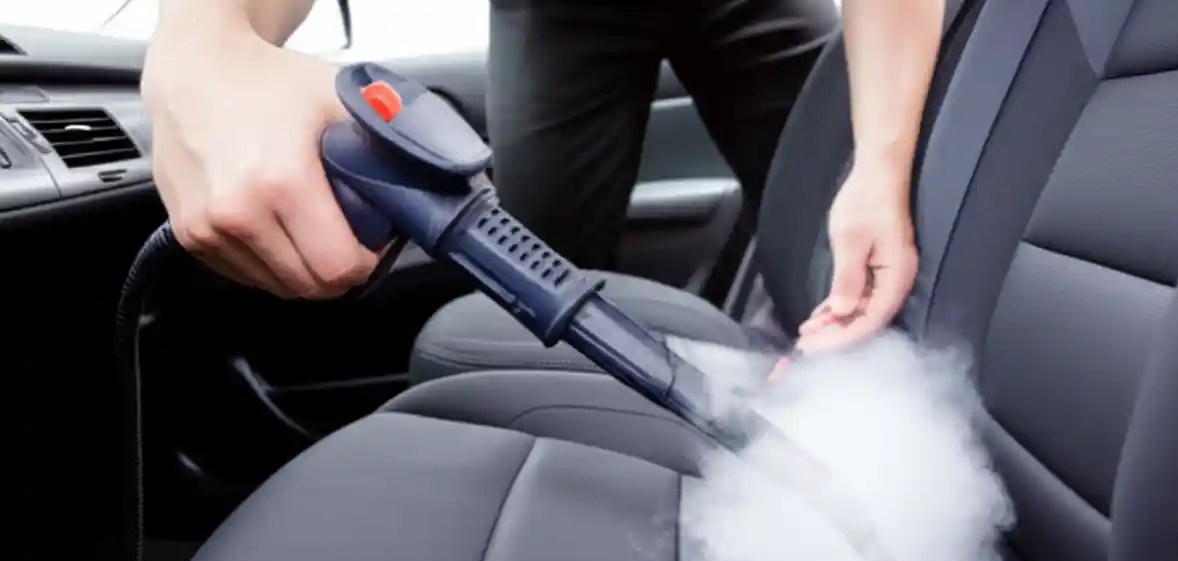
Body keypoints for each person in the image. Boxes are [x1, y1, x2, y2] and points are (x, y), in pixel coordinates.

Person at [141, 0, 945, 356]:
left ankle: (826, 353)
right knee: (530, 273)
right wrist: (201, 41)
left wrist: (878, 166)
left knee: (829, 203)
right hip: (561, 12)